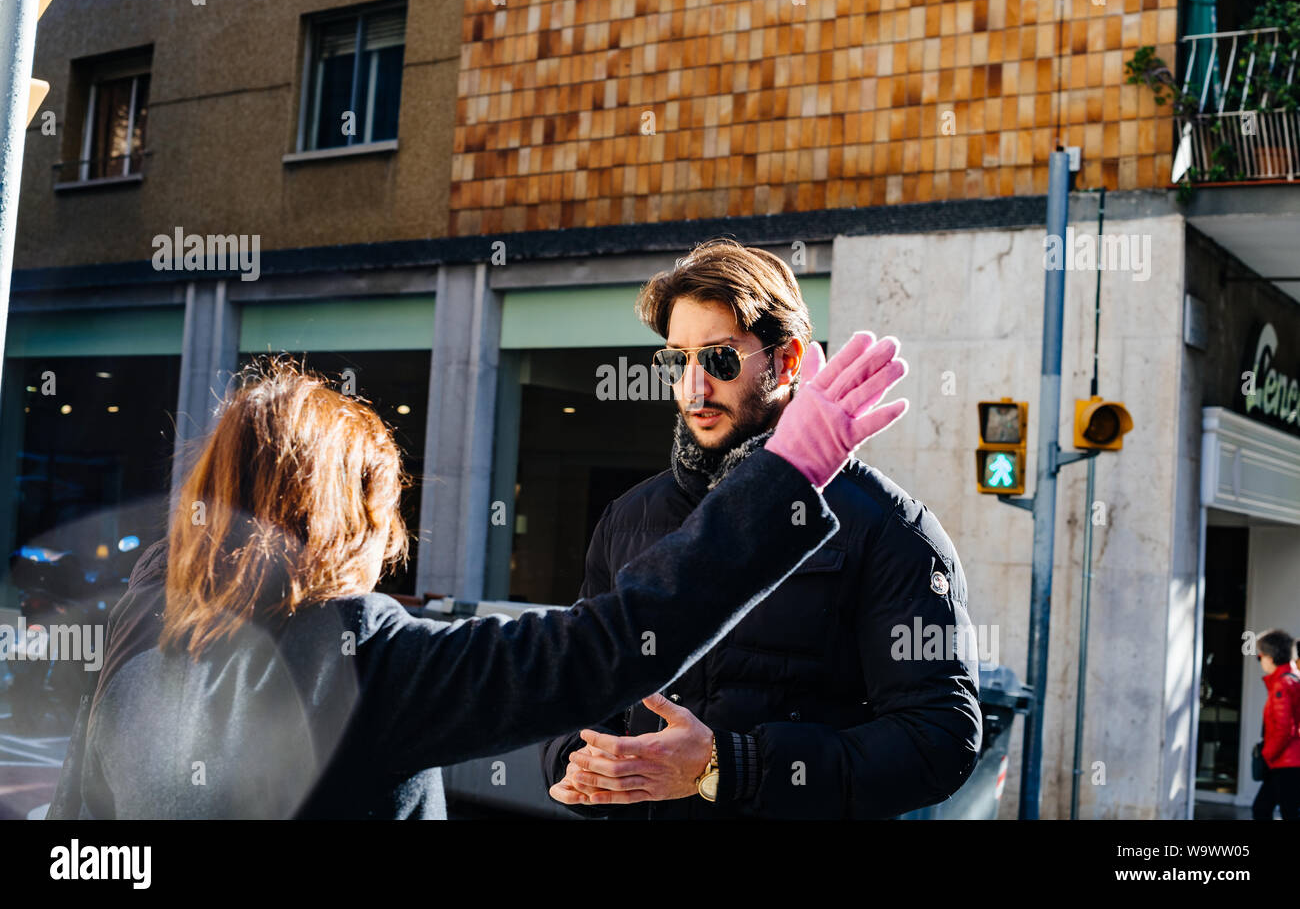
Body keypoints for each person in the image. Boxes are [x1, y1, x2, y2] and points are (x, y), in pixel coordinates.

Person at [49, 330, 906, 819]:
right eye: (382, 504)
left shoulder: (144, 624)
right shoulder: (361, 657)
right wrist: (787, 478)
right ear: (347, 513)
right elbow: (605, 644)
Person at [544, 239, 981, 819]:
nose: (694, 388)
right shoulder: (629, 517)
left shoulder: (889, 528)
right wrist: (578, 761)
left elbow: (940, 739)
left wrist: (728, 766)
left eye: (721, 359)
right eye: (677, 360)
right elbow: (579, 683)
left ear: (788, 360)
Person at [1252, 628, 1300, 821]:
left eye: (1259, 656)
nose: (1260, 660)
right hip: (1288, 761)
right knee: (1265, 809)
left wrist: (1266, 755)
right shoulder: (1293, 679)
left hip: (1286, 762)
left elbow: (1283, 729)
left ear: (1269, 657)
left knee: (1268, 810)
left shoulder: (1282, 685)